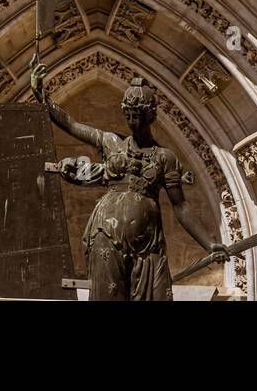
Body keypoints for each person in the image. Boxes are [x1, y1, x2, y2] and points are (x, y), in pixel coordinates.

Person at [30, 62, 228, 301]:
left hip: (147, 245)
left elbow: (181, 206)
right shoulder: (111, 142)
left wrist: (209, 244)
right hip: (105, 234)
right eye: (129, 116)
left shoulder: (165, 157)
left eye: (139, 117)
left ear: (150, 116)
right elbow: (72, 124)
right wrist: (42, 96)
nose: (133, 123)